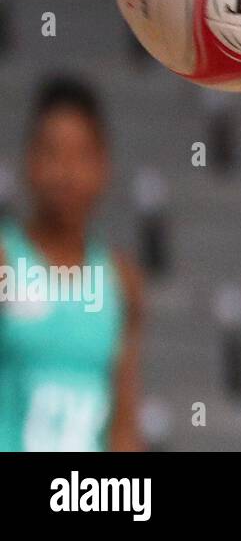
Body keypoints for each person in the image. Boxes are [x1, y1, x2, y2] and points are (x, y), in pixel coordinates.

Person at [0, 77, 143, 451]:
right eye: (52, 153)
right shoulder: (4, 261)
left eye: (81, 155)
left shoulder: (121, 279)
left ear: (104, 165)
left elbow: (123, 423)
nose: (66, 172)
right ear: (29, 161)